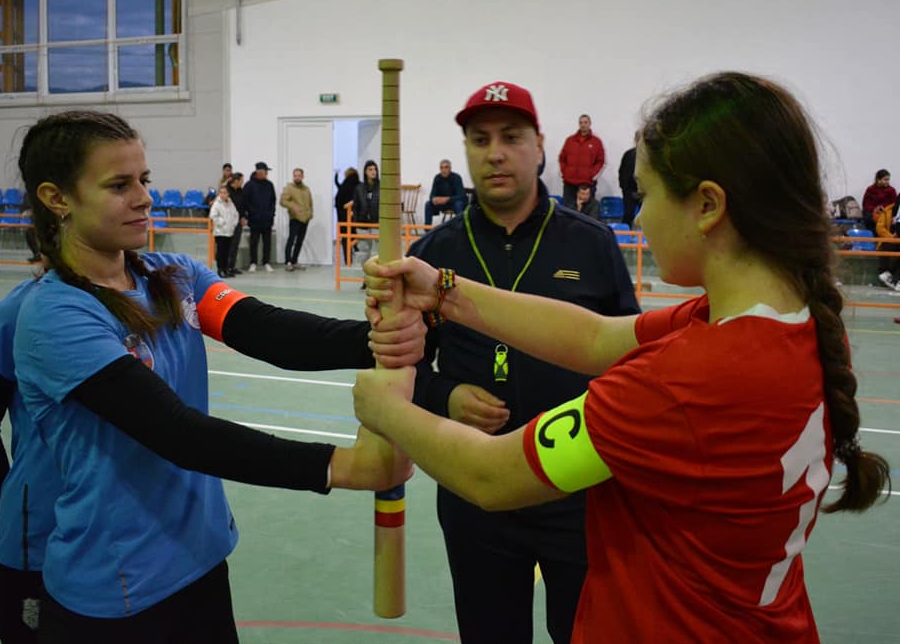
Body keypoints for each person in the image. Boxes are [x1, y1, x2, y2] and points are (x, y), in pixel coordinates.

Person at [355, 72, 892, 644]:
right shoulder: (774, 322)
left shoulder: (682, 381)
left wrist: (384, 406)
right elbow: (594, 337)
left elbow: (490, 475)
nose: (638, 217)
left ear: (707, 206)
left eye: (648, 194)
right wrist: (442, 290)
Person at [11, 110, 423, 643]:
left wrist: (384, 336)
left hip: (200, 559)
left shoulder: (171, 275)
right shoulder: (57, 316)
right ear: (56, 197)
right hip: (118, 591)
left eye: (145, 180)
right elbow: (176, 434)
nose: (143, 197)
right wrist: (342, 467)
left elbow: (267, 331)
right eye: (119, 185)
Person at [402, 81, 640, 644]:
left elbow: (631, 369)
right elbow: (401, 374)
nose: (495, 152)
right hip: (474, 492)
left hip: (577, 493)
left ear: (539, 146)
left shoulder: (591, 245)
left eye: (511, 137)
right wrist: (446, 399)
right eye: (479, 139)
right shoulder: (434, 255)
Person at [0, 277, 61, 644]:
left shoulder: (124, 305)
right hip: (37, 538)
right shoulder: (11, 316)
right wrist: (12, 508)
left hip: (113, 536)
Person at [558, 114, 604, 211]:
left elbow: (601, 161)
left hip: (586, 186)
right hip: (569, 185)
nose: (583, 125)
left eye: (585, 122)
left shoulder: (596, 142)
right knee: (567, 213)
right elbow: (562, 158)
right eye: (581, 122)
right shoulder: (569, 140)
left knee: (586, 216)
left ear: (590, 124)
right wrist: (564, 172)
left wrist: (591, 175)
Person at [243, 161, 276, 272]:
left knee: (267, 242)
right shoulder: (249, 185)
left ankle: (266, 262)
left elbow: (273, 201)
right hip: (254, 219)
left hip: (267, 219)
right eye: (264, 171)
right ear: (258, 172)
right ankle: (253, 263)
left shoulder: (269, 185)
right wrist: (249, 214)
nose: (265, 174)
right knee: (254, 242)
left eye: (266, 172)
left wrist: (271, 214)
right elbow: (245, 202)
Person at [280, 167, 313, 271]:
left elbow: (310, 202)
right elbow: (282, 201)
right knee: (291, 240)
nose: (297, 177)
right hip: (295, 218)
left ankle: (294, 261)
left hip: (305, 219)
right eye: (295, 175)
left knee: (300, 241)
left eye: (299, 175)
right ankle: (288, 262)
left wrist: (310, 214)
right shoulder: (289, 187)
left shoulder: (306, 189)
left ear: (302, 176)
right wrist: (292, 206)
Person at [423, 159, 467, 227]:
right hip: (442, 204)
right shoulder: (437, 178)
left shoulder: (456, 177)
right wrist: (434, 199)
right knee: (428, 204)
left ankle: (460, 230)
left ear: (450, 168)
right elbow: (432, 195)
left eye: (446, 167)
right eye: (441, 167)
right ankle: (427, 231)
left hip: (453, 203)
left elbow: (462, 196)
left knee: (459, 204)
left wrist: (447, 199)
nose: (444, 170)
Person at [352, 159, 380, 260]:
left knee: (377, 253)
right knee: (363, 251)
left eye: (375, 169)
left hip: (377, 224)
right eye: (370, 169)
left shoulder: (382, 187)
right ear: (365, 171)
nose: (373, 172)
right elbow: (355, 206)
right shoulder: (359, 188)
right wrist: (356, 222)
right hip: (362, 224)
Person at [209, 184, 239, 277]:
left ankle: (226, 269)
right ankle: (220, 269)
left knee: (227, 252)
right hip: (220, 232)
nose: (223, 194)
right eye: (221, 193)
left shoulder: (231, 203)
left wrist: (233, 224)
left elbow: (235, 214)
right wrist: (223, 223)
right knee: (221, 252)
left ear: (228, 194)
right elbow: (213, 216)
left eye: (225, 193)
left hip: (229, 232)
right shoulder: (216, 204)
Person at [334, 166, 360, 265]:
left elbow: (338, 202)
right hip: (357, 220)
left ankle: (348, 261)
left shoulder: (344, 186)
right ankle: (359, 258)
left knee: (346, 239)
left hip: (344, 220)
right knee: (358, 237)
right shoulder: (360, 186)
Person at [225, 172, 246, 274]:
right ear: (236, 181)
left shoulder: (240, 191)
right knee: (228, 245)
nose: (242, 182)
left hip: (238, 222)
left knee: (235, 245)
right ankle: (225, 267)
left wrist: (243, 217)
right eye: (241, 181)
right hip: (228, 222)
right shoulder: (226, 191)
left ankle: (232, 266)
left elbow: (242, 206)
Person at [618, 133, 640, 225]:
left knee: (647, 217)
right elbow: (621, 172)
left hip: (645, 192)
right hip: (629, 191)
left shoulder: (650, 156)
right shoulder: (628, 155)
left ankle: (646, 238)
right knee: (628, 214)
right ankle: (625, 237)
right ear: (635, 140)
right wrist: (624, 188)